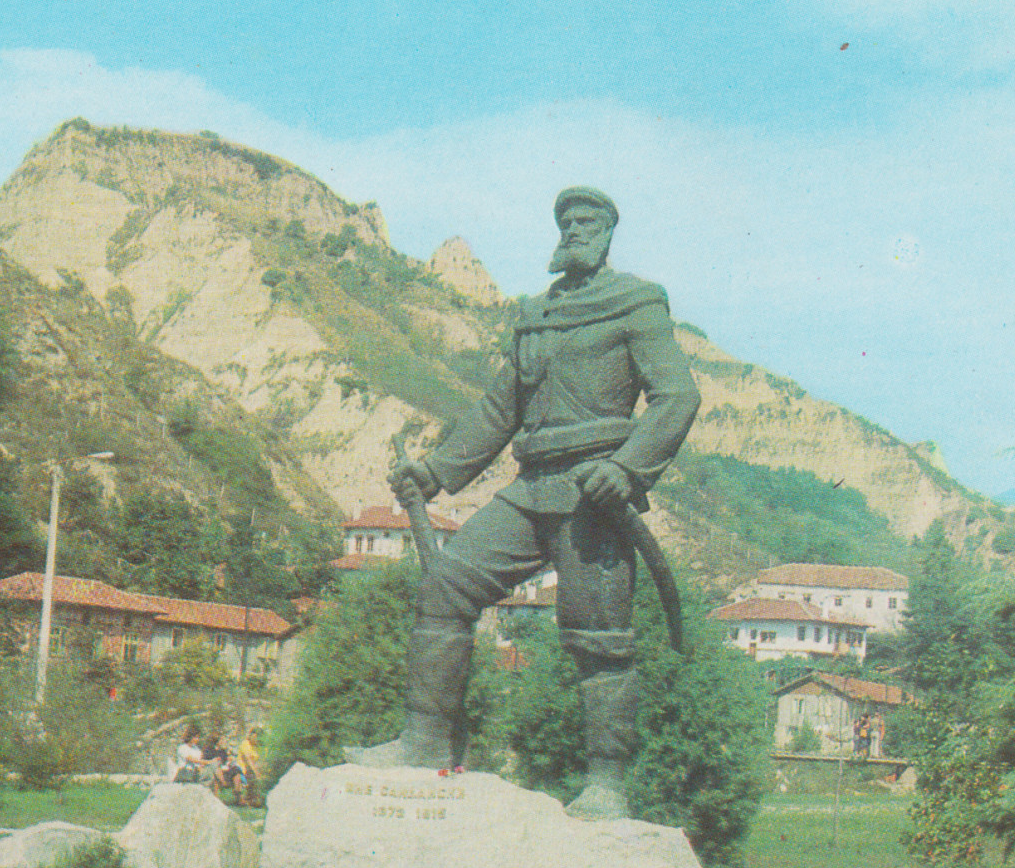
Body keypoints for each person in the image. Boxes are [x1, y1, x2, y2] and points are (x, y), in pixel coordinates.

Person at [350, 187, 702, 820]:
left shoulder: (637, 304)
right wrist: (435, 472)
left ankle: (606, 785)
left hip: (593, 496)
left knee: (599, 639)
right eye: (565, 221)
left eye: (586, 222)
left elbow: (677, 397)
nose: (573, 231)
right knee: (445, 588)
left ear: (607, 235)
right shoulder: (535, 316)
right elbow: (499, 410)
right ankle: (425, 742)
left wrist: (627, 468)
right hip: (529, 486)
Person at [235, 726, 264, 806]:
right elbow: (249, 760)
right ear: (254, 736)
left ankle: (255, 800)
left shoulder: (255, 747)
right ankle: (251, 800)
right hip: (243, 770)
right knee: (254, 777)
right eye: (258, 738)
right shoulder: (245, 744)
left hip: (251, 770)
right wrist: (257, 773)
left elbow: (260, 761)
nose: (259, 741)